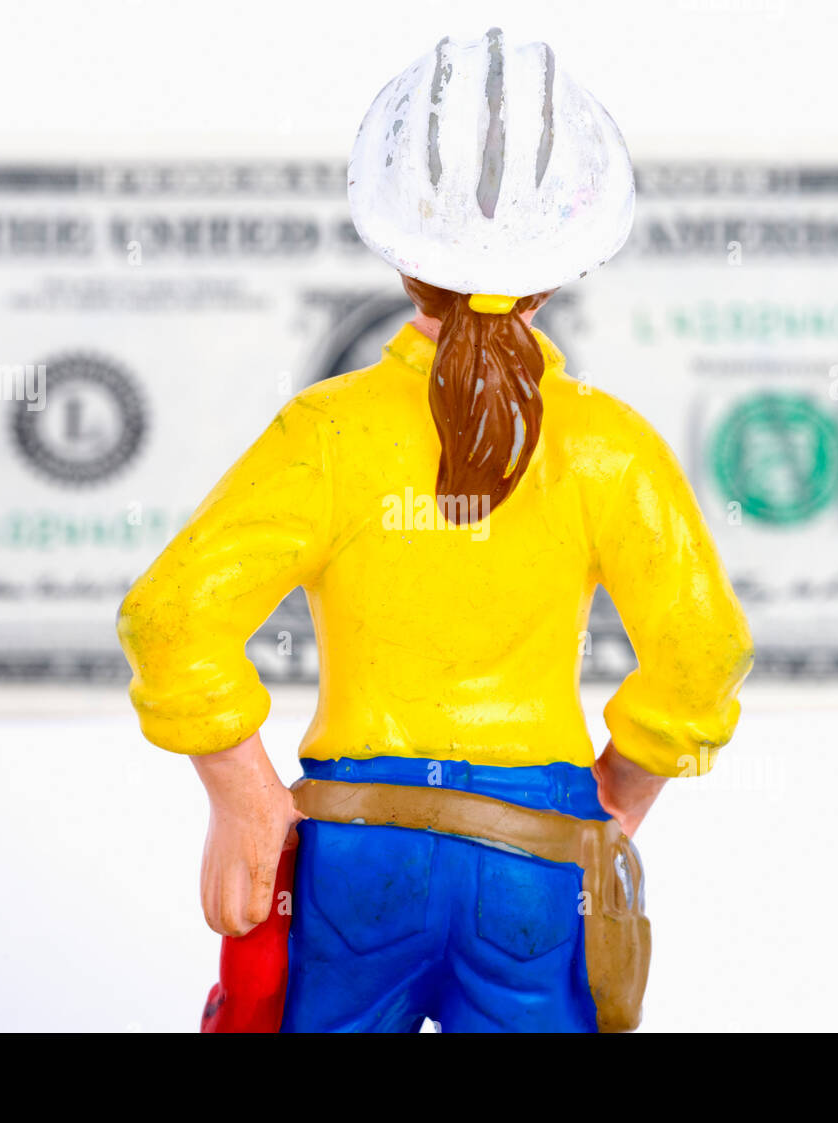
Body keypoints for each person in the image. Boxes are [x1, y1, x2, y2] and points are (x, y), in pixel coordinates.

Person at [118, 29, 753, 1033]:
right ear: (561, 269)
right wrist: (621, 794)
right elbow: (705, 648)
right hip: (537, 851)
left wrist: (240, 795)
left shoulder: (328, 434)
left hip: (354, 849)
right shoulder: (607, 447)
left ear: (400, 252)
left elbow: (170, 618)